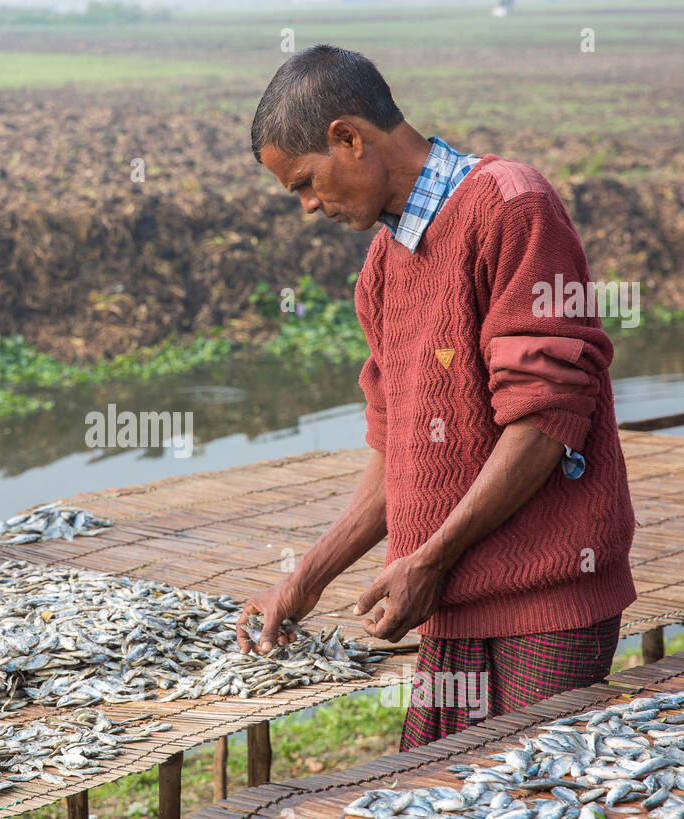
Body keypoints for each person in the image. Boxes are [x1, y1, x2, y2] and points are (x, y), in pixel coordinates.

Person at [236, 46, 636, 749]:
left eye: (304, 182)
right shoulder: (384, 268)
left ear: (348, 138)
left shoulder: (512, 206)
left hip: (544, 602)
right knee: (440, 795)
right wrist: (302, 586)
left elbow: (545, 420)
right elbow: (399, 452)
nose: (306, 207)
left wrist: (429, 559)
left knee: (539, 809)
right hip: (447, 603)